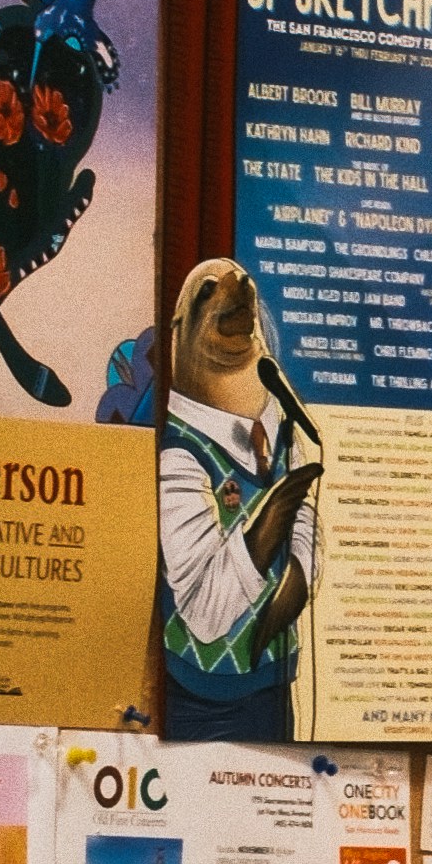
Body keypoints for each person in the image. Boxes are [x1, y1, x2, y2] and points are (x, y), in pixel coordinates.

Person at [157, 260, 320, 743]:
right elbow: (204, 616)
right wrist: (267, 529)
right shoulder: (181, 454)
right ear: (182, 331)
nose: (236, 290)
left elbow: (308, 517)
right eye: (208, 291)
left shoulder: (282, 423)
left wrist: (299, 576)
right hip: (202, 697)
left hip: (273, 679)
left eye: (243, 287)